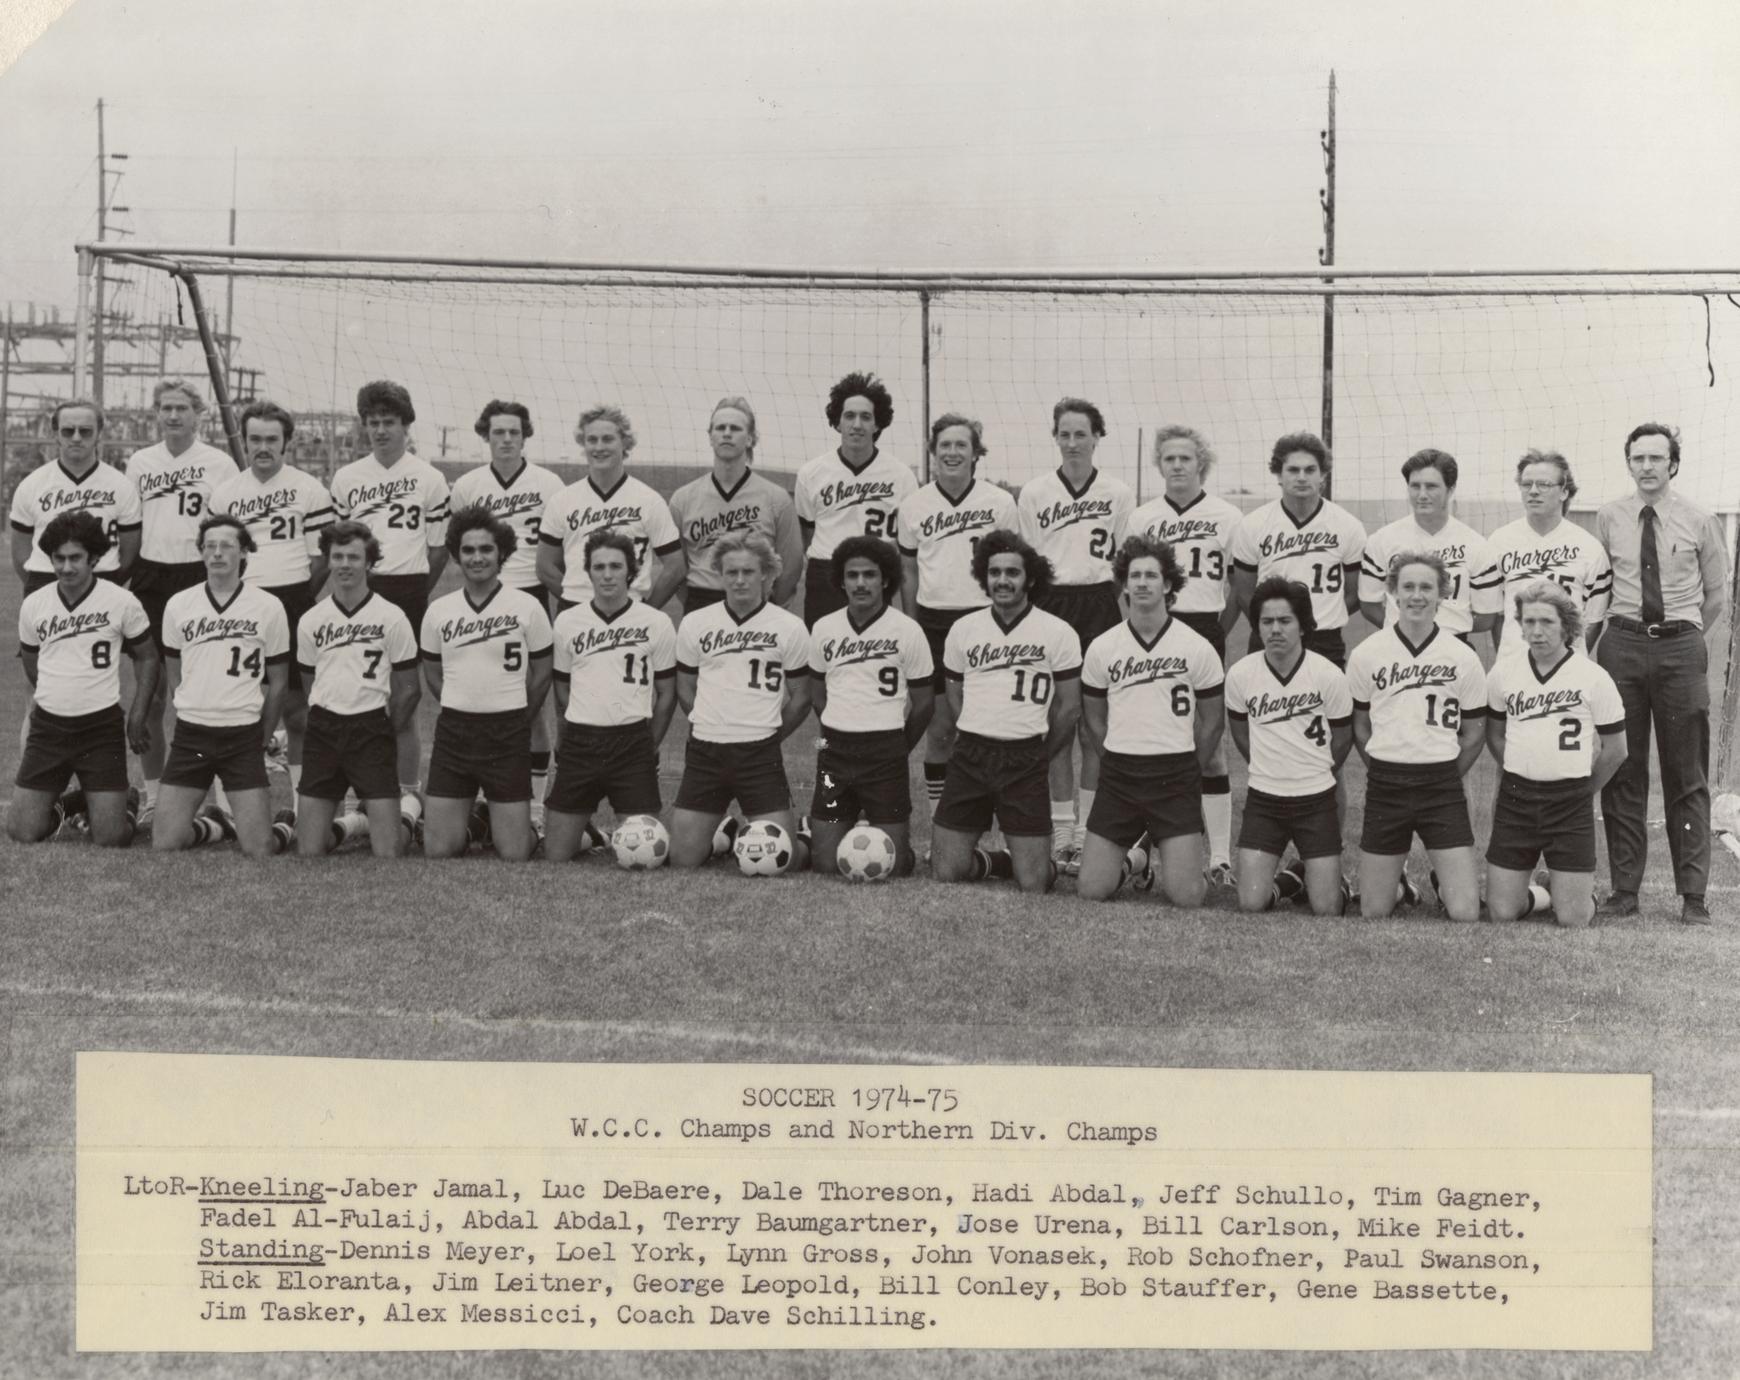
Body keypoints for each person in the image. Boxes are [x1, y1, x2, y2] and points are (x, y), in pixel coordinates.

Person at [1593, 423, 1730, 925]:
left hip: (1678, 647)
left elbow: (1716, 593)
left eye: (1656, 458)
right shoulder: (1609, 517)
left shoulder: (1699, 518)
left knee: (1684, 771)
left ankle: (1693, 896)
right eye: (1638, 458)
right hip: (1622, 644)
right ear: (1628, 463)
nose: (1647, 466)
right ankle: (1624, 891)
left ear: (1673, 463)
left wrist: (1684, 634)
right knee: (1622, 767)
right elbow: (1601, 588)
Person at [1017, 397, 1133, 873]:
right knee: (1056, 722)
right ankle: (1060, 828)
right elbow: (1026, 563)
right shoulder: (1034, 492)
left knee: (1094, 724)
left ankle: (1087, 832)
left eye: (1080, 434)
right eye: (1063, 434)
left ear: (1096, 437)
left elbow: (1124, 569)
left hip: (1101, 603)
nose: (1071, 443)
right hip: (1051, 604)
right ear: (1055, 437)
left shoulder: (1118, 493)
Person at [932, 529, 1082, 894]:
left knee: (1033, 883)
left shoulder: (1057, 631)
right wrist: (974, 726)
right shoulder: (963, 629)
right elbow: (955, 695)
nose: (1002, 580)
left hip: (1025, 755)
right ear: (984, 576)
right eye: (995, 572)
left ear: (1030, 577)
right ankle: (998, 861)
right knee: (947, 871)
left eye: (1012, 573)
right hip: (971, 755)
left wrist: (1041, 756)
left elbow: (1069, 707)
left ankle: (1028, 859)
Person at [1076, 535, 1224, 905]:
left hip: (1174, 776)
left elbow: (1212, 723)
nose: (1142, 583)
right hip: (1120, 775)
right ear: (1124, 583)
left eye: (1151, 576)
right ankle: (1135, 860)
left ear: (1168, 584)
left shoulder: (1195, 646)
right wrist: (1113, 759)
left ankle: (1156, 851)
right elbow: (1094, 720)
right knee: (1092, 889)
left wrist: (1190, 769)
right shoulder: (1103, 646)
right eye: (1134, 575)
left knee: (1187, 897)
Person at [1128, 424, 1243, 884]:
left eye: (1186, 459)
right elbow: (1129, 585)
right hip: (1152, 631)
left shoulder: (1227, 515)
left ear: (1202, 465)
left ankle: (1219, 857)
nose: (1177, 466)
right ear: (1160, 464)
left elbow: (1239, 586)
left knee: (1209, 745)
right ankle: (1144, 847)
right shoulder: (1142, 517)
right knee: (1152, 737)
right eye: (1169, 459)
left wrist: (1217, 628)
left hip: (1203, 628)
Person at [1346, 552, 1488, 921]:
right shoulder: (1367, 654)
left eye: (1427, 587)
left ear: (1443, 594)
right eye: (1407, 586)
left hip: (1440, 785)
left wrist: (1443, 774)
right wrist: (1384, 764)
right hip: (1386, 784)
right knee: (1373, 911)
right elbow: (1360, 727)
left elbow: (1473, 733)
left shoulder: (1462, 656)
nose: (1417, 596)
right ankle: (1399, 886)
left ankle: (1443, 883)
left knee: (1465, 913)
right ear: (1392, 591)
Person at [895, 413, 1020, 827]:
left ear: (975, 453)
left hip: (986, 622)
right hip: (933, 624)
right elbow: (909, 572)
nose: (952, 452)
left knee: (993, 724)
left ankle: (1002, 819)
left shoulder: (999, 502)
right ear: (933, 453)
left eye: (961, 445)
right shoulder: (914, 505)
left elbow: (1013, 568)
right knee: (942, 726)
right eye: (944, 445)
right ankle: (940, 821)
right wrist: (912, 625)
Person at [124, 379, 240, 827]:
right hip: (152, 577)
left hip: (200, 578)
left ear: (199, 414)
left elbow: (230, 528)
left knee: (206, 693)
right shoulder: (139, 461)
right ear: (156, 414)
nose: (173, 416)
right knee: (152, 697)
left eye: (181, 409)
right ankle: (155, 797)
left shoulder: (219, 463)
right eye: (165, 408)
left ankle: (225, 800)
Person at [210, 400, 333, 816]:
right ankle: (227, 810)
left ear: (288, 443)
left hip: (293, 601)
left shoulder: (310, 489)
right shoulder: (226, 493)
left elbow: (320, 561)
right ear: (243, 441)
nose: (263, 447)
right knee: (230, 703)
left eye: (271, 439)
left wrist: (295, 600)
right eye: (255, 439)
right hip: (236, 607)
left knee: (297, 712)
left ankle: (302, 808)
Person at [330, 380, 451, 796]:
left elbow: (438, 550)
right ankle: (350, 796)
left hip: (407, 589)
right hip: (357, 592)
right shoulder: (347, 478)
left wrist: (415, 588)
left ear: (406, 426)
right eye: (374, 423)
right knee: (352, 692)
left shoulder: (429, 478)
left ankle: (406, 794)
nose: (381, 431)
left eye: (390, 422)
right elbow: (340, 543)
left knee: (403, 698)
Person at [9, 511, 157, 847]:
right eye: (58, 558)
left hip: (100, 728)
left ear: (93, 557)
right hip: (49, 728)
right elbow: (32, 665)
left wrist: (137, 714)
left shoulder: (121, 601)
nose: (66, 567)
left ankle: (126, 803)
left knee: (110, 838)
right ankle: (80, 801)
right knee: (23, 831)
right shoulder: (35, 604)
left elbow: (148, 657)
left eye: (75, 558)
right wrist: (56, 694)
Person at [1485, 582, 1628, 927]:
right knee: (1501, 913)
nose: (1536, 632)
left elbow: (1616, 749)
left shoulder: (1593, 677)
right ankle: (1544, 892)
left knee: (1574, 920)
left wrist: (1582, 790)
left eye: (1546, 622)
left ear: (1567, 625)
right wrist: (1523, 765)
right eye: (1529, 622)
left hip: (1570, 800)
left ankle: (1576, 894)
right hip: (1517, 798)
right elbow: (1495, 734)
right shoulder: (1504, 672)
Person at [669, 531, 813, 869]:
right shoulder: (695, 623)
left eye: (748, 572)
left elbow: (802, 697)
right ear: (720, 574)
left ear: (765, 573)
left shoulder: (789, 627)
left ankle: (805, 835)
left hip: (759, 753)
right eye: (731, 572)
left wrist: (770, 735)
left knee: (785, 862)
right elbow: (685, 688)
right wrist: (708, 720)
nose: (739, 580)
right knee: (682, 861)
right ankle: (724, 836)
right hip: (706, 750)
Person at [450, 400, 565, 817]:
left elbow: (559, 547)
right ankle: (482, 794)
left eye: (514, 432)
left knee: (532, 701)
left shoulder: (550, 483)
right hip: (480, 599)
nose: (506, 440)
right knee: (482, 693)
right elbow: (458, 547)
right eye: (498, 432)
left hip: (530, 595)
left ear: (525, 435)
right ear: (486, 435)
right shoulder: (467, 486)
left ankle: (534, 806)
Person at [419, 506, 553, 862]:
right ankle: (477, 822)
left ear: (501, 553)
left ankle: (521, 824)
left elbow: (542, 672)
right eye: (468, 550)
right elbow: (433, 673)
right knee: (438, 849)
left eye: (486, 550)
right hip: (455, 732)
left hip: (507, 731)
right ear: (456, 556)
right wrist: (459, 700)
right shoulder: (439, 610)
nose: (477, 558)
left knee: (515, 853)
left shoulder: (528, 607)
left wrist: (520, 715)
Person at [152, 515, 290, 856]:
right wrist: (193, 705)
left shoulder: (268, 606)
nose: (217, 553)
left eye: (227, 546)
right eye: (209, 546)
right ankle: (215, 826)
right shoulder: (179, 605)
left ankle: (285, 824)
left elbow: (280, 681)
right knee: (166, 842)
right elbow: (174, 674)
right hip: (192, 735)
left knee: (259, 849)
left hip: (242, 734)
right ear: (201, 552)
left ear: (244, 553)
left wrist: (263, 733)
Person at [1224, 577, 1355, 917]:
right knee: (1250, 903)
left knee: (1327, 909)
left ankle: (1330, 881)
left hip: (1315, 798)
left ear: (1303, 625)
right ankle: (1291, 880)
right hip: (1265, 799)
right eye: (1267, 622)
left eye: (1285, 621)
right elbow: (1240, 733)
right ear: (1257, 626)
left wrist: (1314, 771)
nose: (1275, 630)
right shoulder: (1240, 675)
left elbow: (1342, 739)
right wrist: (1270, 767)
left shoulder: (1328, 675)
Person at [545, 531, 679, 863]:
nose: (607, 574)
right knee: (555, 855)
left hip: (632, 742)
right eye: (599, 566)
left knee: (645, 856)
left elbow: (667, 693)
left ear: (630, 571)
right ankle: (590, 835)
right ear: (587, 571)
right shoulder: (567, 622)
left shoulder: (656, 622)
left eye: (616, 566)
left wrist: (649, 744)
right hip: (581, 743)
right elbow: (561, 689)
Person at [293, 520, 422, 858]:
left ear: (369, 562)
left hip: (371, 726)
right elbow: (311, 684)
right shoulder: (311, 620)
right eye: (337, 557)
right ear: (329, 561)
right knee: (309, 850)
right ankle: (354, 823)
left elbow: (410, 688)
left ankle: (410, 812)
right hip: (324, 729)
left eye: (353, 557)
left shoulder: (391, 617)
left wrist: (383, 733)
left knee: (388, 852)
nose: (345, 565)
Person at [807, 535, 935, 876]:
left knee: (894, 866)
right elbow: (817, 696)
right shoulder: (823, 628)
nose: (861, 583)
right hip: (835, 753)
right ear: (841, 580)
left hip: (885, 752)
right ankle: (830, 829)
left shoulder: (908, 631)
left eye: (870, 575)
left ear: (886, 579)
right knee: (823, 863)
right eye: (853, 575)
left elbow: (923, 705)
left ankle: (872, 828)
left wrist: (897, 747)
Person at [1230, 431, 1365, 667]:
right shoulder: (1252, 524)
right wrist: (1274, 624)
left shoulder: (1348, 526)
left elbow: (1354, 594)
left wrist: (1323, 614)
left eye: (1310, 470)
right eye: (1293, 470)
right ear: (1278, 474)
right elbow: (1244, 592)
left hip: (1325, 638)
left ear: (1323, 474)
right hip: (1269, 637)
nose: (1301, 477)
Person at [794, 371, 917, 627]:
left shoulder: (901, 476)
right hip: (826, 575)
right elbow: (807, 534)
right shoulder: (811, 473)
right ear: (837, 422)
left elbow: (907, 546)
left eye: (866, 417)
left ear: (878, 424)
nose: (857, 424)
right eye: (849, 416)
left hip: (876, 574)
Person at [537, 403, 685, 613]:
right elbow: (544, 567)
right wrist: (577, 604)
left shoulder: (649, 500)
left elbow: (676, 567)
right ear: (583, 444)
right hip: (576, 610)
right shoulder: (562, 500)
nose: (599, 447)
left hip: (631, 609)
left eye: (607, 439)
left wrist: (648, 611)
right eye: (592, 440)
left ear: (624, 443)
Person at [667, 397, 803, 611]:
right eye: (720, 428)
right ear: (710, 437)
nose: (727, 433)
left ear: (750, 439)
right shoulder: (682, 499)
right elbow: (676, 566)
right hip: (701, 601)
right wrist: (695, 604)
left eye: (735, 428)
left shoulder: (777, 499)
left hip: (756, 602)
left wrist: (768, 605)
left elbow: (792, 566)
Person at [1358, 448, 1502, 645]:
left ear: (1450, 489)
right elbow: (1368, 604)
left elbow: (1486, 617)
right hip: (1397, 644)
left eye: (1431, 486)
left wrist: (1447, 630)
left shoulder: (1476, 545)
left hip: (1454, 646)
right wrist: (1408, 630)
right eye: (1415, 486)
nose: (1422, 495)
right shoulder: (1382, 540)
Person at [1476, 449, 1610, 654]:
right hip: (1514, 666)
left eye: (1544, 484)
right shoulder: (1499, 542)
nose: (1534, 491)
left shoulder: (1589, 547)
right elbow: (1497, 616)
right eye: (1527, 484)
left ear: (1564, 492)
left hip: (1566, 669)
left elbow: (1592, 621)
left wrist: (1569, 659)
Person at [10, 399, 141, 593]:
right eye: (68, 431)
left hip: (104, 581)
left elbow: (130, 551)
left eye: (85, 431)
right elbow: (21, 553)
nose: (77, 437)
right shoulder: (32, 484)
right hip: (46, 580)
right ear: (56, 434)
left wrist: (111, 584)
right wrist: (41, 587)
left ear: (99, 434)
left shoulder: (121, 485)